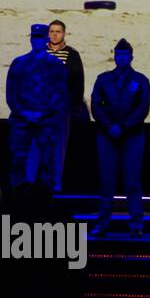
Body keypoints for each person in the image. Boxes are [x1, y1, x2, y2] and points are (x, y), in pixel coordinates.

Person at [89, 39, 150, 237]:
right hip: (107, 135)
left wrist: (123, 127)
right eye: (118, 54)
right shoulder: (103, 79)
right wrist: (109, 126)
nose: (121, 58)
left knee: (132, 181)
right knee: (106, 181)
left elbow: (143, 109)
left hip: (132, 136)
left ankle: (136, 223)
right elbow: (96, 105)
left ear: (131, 57)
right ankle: (102, 222)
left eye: (125, 55)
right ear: (114, 56)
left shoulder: (141, 80)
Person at [6, 24, 68, 189]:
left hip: (46, 122)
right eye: (34, 38)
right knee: (17, 162)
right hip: (22, 121)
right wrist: (25, 113)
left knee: (47, 164)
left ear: (47, 40)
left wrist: (42, 114)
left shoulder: (56, 65)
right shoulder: (19, 63)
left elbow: (60, 94)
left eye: (40, 38)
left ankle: (45, 206)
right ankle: (15, 205)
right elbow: (11, 94)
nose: (37, 41)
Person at [46, 19, 88, 192]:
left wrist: (74, 105)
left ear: (64, 34)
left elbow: (78, 82)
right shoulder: (41, 52)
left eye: (58, 31)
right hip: (41, 108)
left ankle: (56, 183)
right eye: (52, 31)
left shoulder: (72, 54)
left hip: (62, 109)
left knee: (59, 148)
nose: (55, 34)